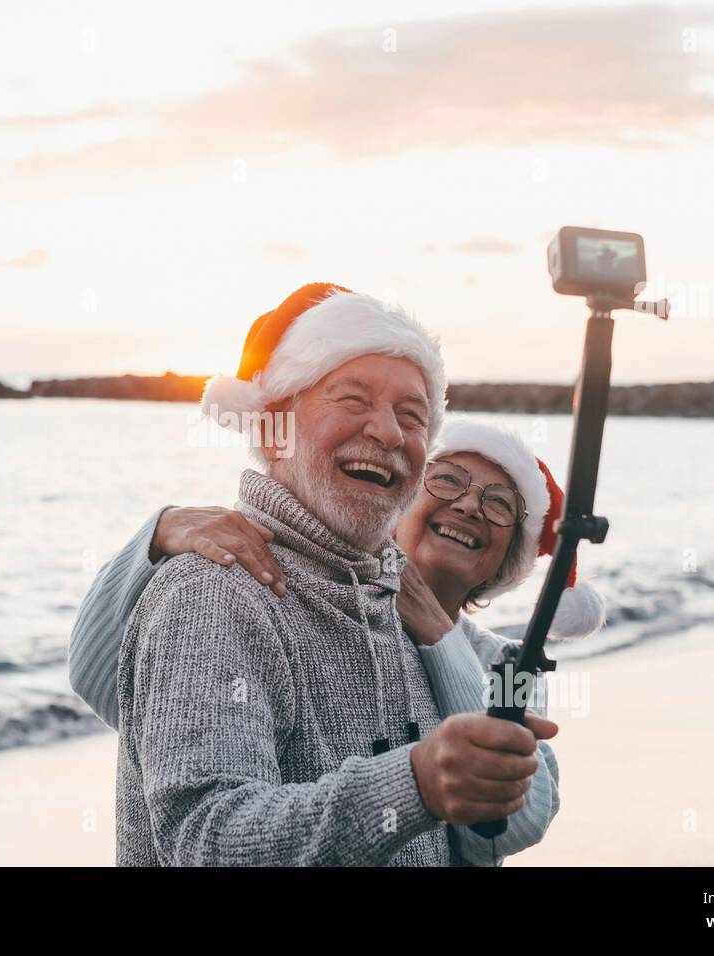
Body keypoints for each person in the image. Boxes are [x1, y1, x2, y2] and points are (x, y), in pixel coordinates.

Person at [79, 282, 604, 866]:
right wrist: (155, 537)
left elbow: (516, 823)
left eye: (500, 504)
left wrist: (440, 637)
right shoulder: (214, 590)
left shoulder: (509, 665)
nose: (469, 508)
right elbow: (198, 825)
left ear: (513, 556)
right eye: (449, 481)